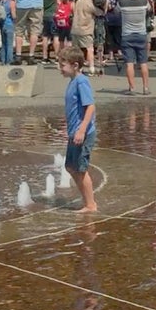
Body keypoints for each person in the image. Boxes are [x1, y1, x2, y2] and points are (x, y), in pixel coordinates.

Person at [58, 46, 97, 213]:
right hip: (74, 132)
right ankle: (86, 200)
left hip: (83, 133)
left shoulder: (81, 81)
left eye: (62, 65)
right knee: (70, 167)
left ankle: (91, 205)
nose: (60, 68)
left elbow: (90, 107)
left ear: (75, 65)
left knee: (81, 170)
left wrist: (81, 130)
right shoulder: (73, 81)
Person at [118, 0, 152, 95]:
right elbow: (150, 10)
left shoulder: (122, 2)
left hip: (127, 35)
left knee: (129, 63)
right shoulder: (143, 2)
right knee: (143, 62)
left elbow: (116, 12)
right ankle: (146, 88)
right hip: (141, 34)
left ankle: (132, 88)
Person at [70, 0, 100, 76]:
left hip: (75, 29)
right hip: (85, 30)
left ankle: (79, 68)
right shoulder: (89, 3)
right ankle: (91, 68)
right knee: (89, 49)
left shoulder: (79, 1)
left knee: (78, 51)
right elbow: (96, 12)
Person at [0, 0, 17, 66]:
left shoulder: (2, 1)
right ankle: (9, 61)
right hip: (9, 24)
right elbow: (14, 15)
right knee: (9, 44)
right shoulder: (12, 3)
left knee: (4, 44)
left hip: (2, 24)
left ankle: (3, 60)